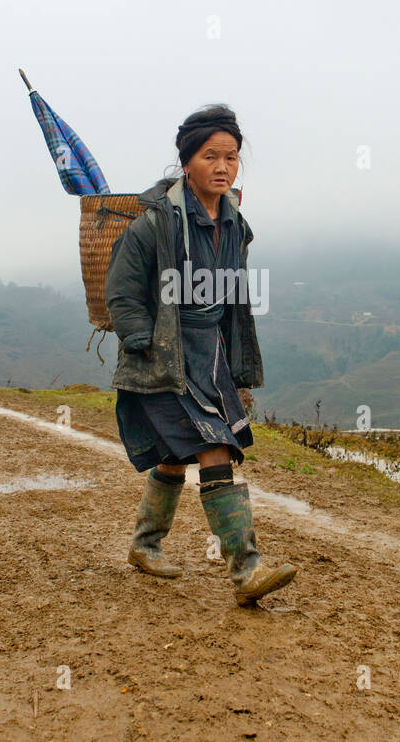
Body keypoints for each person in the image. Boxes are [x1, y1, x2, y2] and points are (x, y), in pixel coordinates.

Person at [105, 104, 297, 607]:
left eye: (231, 157)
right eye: (210, 155)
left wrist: (237, 369)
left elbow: (235, 299)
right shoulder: (154, 225)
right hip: (164, 357)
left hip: (208, 354)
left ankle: (145, 545)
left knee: (175, 454)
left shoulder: (234, 225)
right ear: (186, 161)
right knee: (215, 449)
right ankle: (246, 571)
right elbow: (122, 294)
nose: (222, 166)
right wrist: (143, 341)